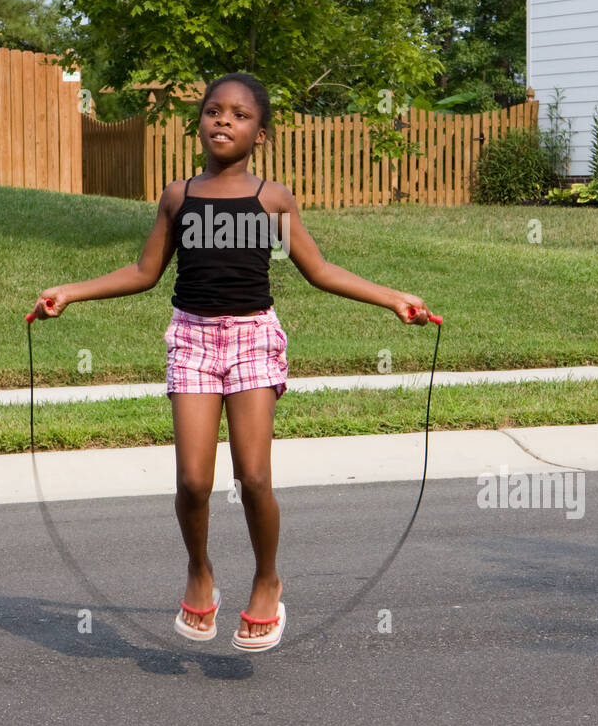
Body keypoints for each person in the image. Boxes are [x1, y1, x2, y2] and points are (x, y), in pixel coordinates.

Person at [30, 72, 430, 652]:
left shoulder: (272, 197)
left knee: (253, 476)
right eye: (214, 111)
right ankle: (200, 571)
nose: (224, 121)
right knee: (193, 480)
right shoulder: (178, 195)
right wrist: (71, 290)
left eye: (240, 115)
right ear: (198, 124)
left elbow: (319, 271)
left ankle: (267, 580)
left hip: (251, 338)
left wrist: (394, 297)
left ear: (260, 134)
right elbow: (144, 273)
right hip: (191, 340)